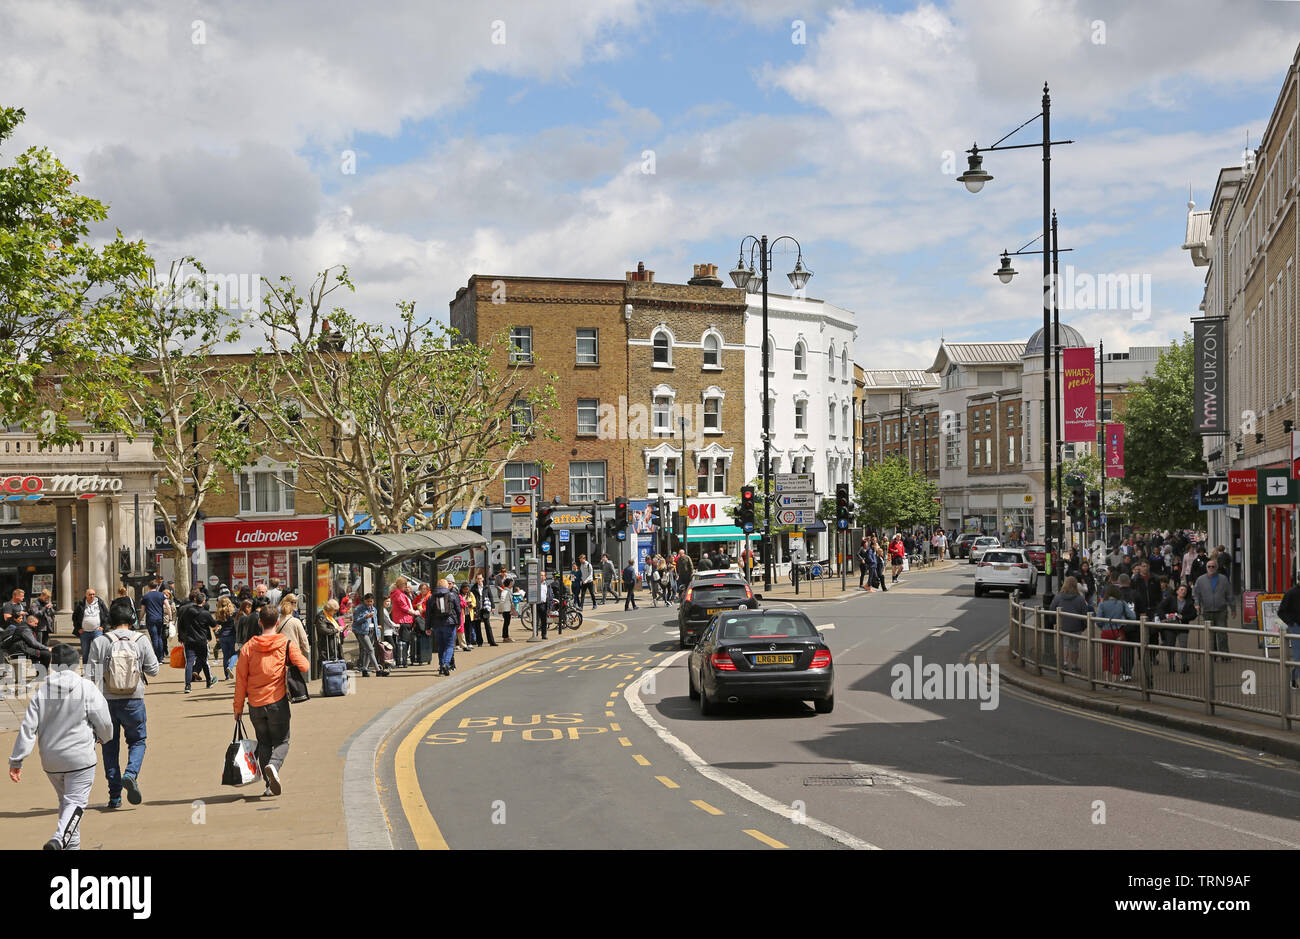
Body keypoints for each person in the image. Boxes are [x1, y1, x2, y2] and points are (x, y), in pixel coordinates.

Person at [8, 643, 112, 850]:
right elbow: (104, 721)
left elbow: (28, 727)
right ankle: (58, 839)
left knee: (66, 804)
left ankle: (71, 847)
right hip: (81, 756)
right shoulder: (86, 687)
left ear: (52, 665)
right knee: (76, 803)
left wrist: (17, 759)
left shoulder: (41, 691)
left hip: (51, 759)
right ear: (76, 664)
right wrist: (104, 737)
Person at [86, 605, 158, 809]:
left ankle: (114, 796)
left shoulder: (100, 641)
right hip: (134, 699)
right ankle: (131, 773)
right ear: (132, 619)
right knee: (138, 741)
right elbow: (154, 670)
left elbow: (91, 676)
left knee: (109, 746)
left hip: (106, 702)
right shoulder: (140, 640)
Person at [233, 605, 310, 797]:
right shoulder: (285, 643)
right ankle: (274, 766)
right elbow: (305, 666)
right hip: (278, 701)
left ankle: (269, 785)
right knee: (283, 741)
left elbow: (240, 680)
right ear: (277, 623)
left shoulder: (248, 647)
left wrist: (238, 708)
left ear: (260, 622)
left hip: (256, 705)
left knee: (264, 742)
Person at [1192, 557, 1235, 662]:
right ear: (1206, 567)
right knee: (1210, 635)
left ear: (1217, 567)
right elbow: (1195, 594)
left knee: (1222, 634)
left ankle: (1224, 655)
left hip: (1221, 610)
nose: (1211, 568)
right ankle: (1212, 655)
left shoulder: (1223, 579)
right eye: (1209, 566)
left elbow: (1229, 594)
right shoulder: (1200, 580)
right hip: (1207, 610)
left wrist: (1233, 608)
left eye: (1213, 566)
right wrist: (1197, 604)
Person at [1049, 576, 1092, 672]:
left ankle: (1064, 662)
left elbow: (1051, 609)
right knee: (1075, 646)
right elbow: (1084, 613)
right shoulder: (1080, 599)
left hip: (1063, 625)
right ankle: (1074, 665)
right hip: (1076, 625)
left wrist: (1054, 622)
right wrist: (1084, 626)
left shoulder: (1058, 597)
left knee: (1065, 644)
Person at [177, 589, 217, 693]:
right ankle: (208, 681)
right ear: (203, 601)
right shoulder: (205, 613)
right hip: (201, 641)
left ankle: (188, 685)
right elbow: (213, 624)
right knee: (204, 661)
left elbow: (181, 624)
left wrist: (181, 637)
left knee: (189, 662)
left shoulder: (186, 612)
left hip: (189, 640)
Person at [1156, 581, 1196, 674]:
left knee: (1183, 646)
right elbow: (1160, 607)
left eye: (1185, 591)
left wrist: (1184, 617)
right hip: (1171, 626)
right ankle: (1171, 665)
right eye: (1181, 590)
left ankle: (1184, 665)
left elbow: (1194, 614)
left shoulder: (1189, 602)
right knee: (1171, 646)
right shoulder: (1170, 599)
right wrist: (1163, 618)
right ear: (1177, 591)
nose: (1183, 592)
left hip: (1183, 626)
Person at [425, 578, 460, 676]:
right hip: (450, 623)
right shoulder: (452, 595)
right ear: (446, 586)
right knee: (449, 645)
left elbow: (428, 614)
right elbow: (458, 610)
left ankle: (441, 666)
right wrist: (458, 623)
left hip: (437, 625)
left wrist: (427, 627)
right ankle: (446, 664)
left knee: (441, 646)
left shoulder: (431, 598)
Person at [1095, 585, 1128, 682]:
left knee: (1106, 656)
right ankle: (1115, 680)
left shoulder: (1102, 604)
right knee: (1117, 657)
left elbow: (1098, 620)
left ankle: (1106, 679)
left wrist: (1102, 627)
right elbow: (1132, 615)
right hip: (1118, 632)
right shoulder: (1121, 603)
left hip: (1106, 631)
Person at [72, 588, 111, 666]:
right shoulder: (81, 604)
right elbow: (74, 617)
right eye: (90, 594)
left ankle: (99, 672)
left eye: (93, 594)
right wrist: (78, 628)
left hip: (97, 631)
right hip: (84, 632)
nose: (92, 596)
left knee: (98, 651)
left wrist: (103, 627)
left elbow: (107, 615)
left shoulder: (100, 603)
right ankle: (87, 672)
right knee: (85, 653)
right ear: (86, 595)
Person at [352, 594, 386, 677]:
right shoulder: (359, 609)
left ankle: (364, 669)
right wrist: (365, 617)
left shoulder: (374, 609)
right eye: (367, 601)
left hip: (371, 630)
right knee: (371, 650)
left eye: (371, 601)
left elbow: (375, 620)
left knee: (368, 651)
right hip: (362, 631)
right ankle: (378, 670)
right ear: (364, 600)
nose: (369, 603)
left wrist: (376, 628)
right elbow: (356, 620)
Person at [1278, 572, 1300, 688]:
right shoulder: (1291, 593)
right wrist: (1291, 623)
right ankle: (1297, 680)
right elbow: (1281, 611)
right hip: (1296, 627)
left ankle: (1293, 677)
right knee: (1298, 654)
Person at [390, 577, 417, 666]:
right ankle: (403, 660)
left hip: (399, 620)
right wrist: (414, 612)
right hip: (404, 620)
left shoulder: (396, 593)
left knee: (401, 640)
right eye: (406, 584)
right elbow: (404, 607)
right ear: (403, 585)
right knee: (405, 641)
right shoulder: (399, 594)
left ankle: (402, 659)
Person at [140, 581, 168, 661]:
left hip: (150, 619)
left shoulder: (145, 596)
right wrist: (170, 617)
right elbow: (168, 606)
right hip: (160, 619)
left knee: (154, 638)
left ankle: (156, 656)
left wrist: (140, 619)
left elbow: (143, 610)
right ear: (156, 587)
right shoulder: (161, 595)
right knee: (160, 637)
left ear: (148, 587)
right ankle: (161, 657)